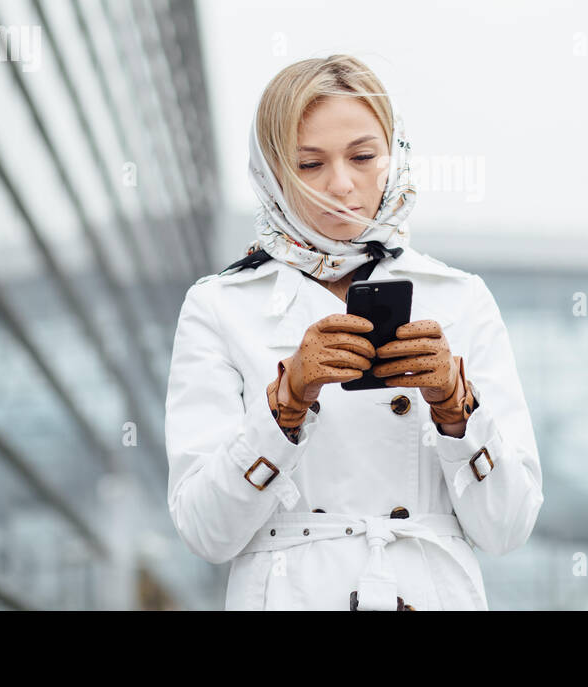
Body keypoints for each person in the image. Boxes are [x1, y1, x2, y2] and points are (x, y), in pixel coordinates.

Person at [164, 54, 543, 609]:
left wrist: (457, 408)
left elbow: (508, 529)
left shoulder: (461, 298)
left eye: (363, 156)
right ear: (272, 172)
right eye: (309, 164)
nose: (341, 185)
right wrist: (285, 404)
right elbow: (205, 532)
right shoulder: (219, 306)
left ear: (394, 156)